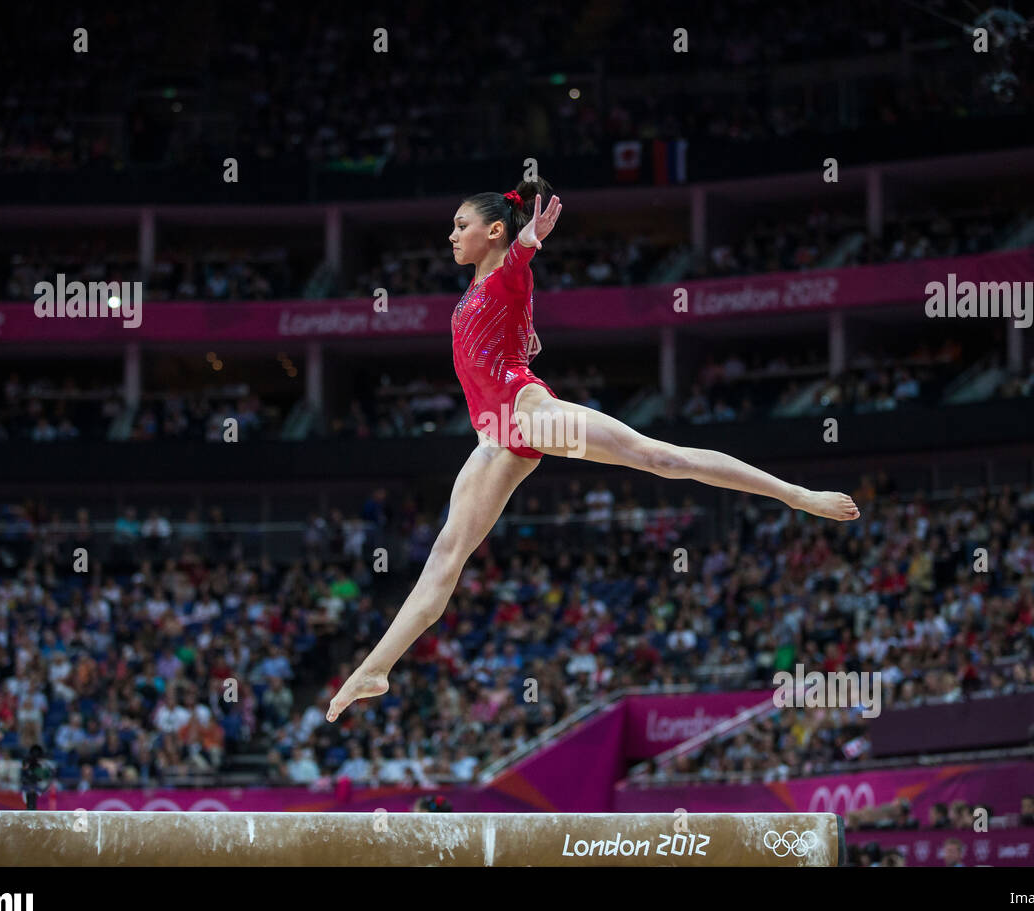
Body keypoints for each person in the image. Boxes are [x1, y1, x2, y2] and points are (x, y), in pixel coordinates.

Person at [325, 178, 861, 721]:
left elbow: (519, 268)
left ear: (493, 232)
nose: (450, 235)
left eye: (460, 226)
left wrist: (529, 238)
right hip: (493, 434)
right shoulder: (476, 289)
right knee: (445, 556)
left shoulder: (509, 268)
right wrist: (525, 333)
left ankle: (796, 495)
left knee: (659, 457)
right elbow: (511, 320)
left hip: (529, 414)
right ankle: (375, 668)